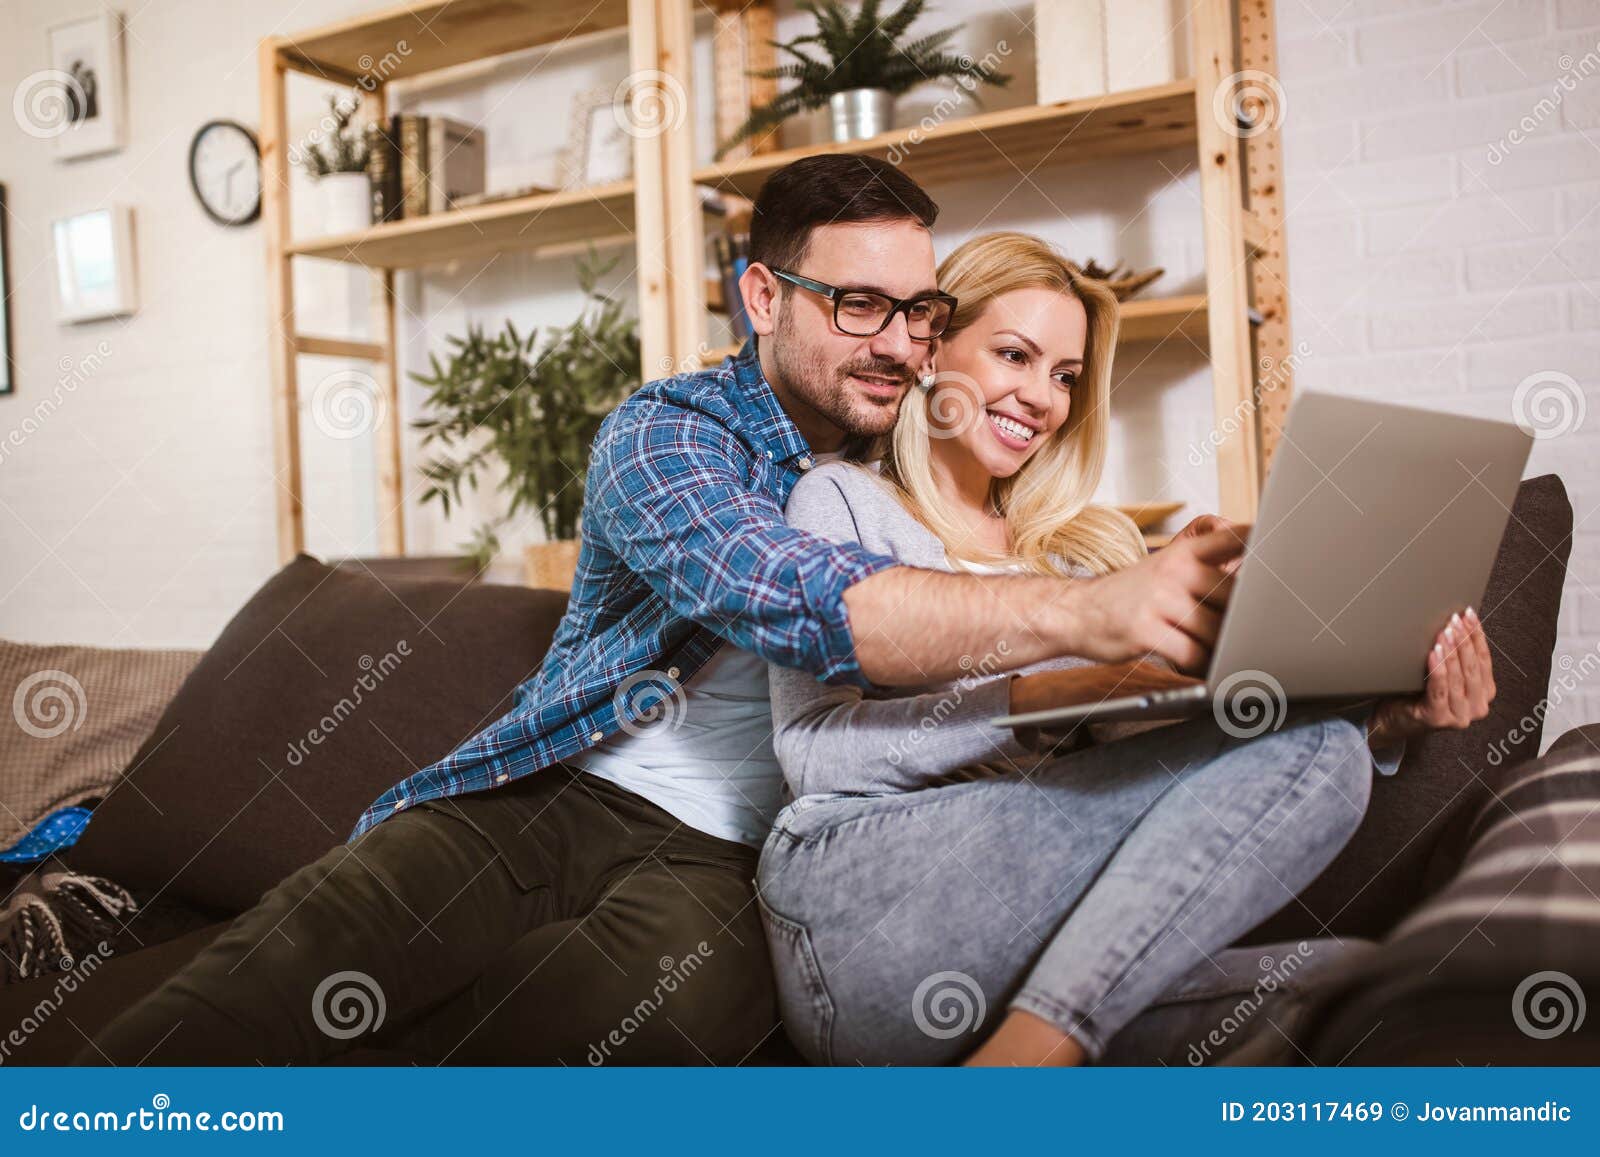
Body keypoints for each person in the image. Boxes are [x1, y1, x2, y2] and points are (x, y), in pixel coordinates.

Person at [79, 155, 1256, 1066]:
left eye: (919, 311)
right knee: (290, 965)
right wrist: (1089, 612)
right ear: (761, 293)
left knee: (646, 1024)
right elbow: (803, 602)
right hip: (557, 787)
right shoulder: (671, 432)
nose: (896, 342)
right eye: (856, 304)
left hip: (740, 861)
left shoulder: (923, 464)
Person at [754, 231, 1498, 1066]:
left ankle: (1025, 1050)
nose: (1040, 396)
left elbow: (1153, 775)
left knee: (1355, 989)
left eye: (1064, 376)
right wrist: (1037, 699)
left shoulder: (1084, 554)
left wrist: (1384, 720)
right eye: (1014, 355)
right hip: (862, 909)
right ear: (930, 350)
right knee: (1323, 754)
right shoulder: (841, 505)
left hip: (1026, 942)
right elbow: (812, 754)